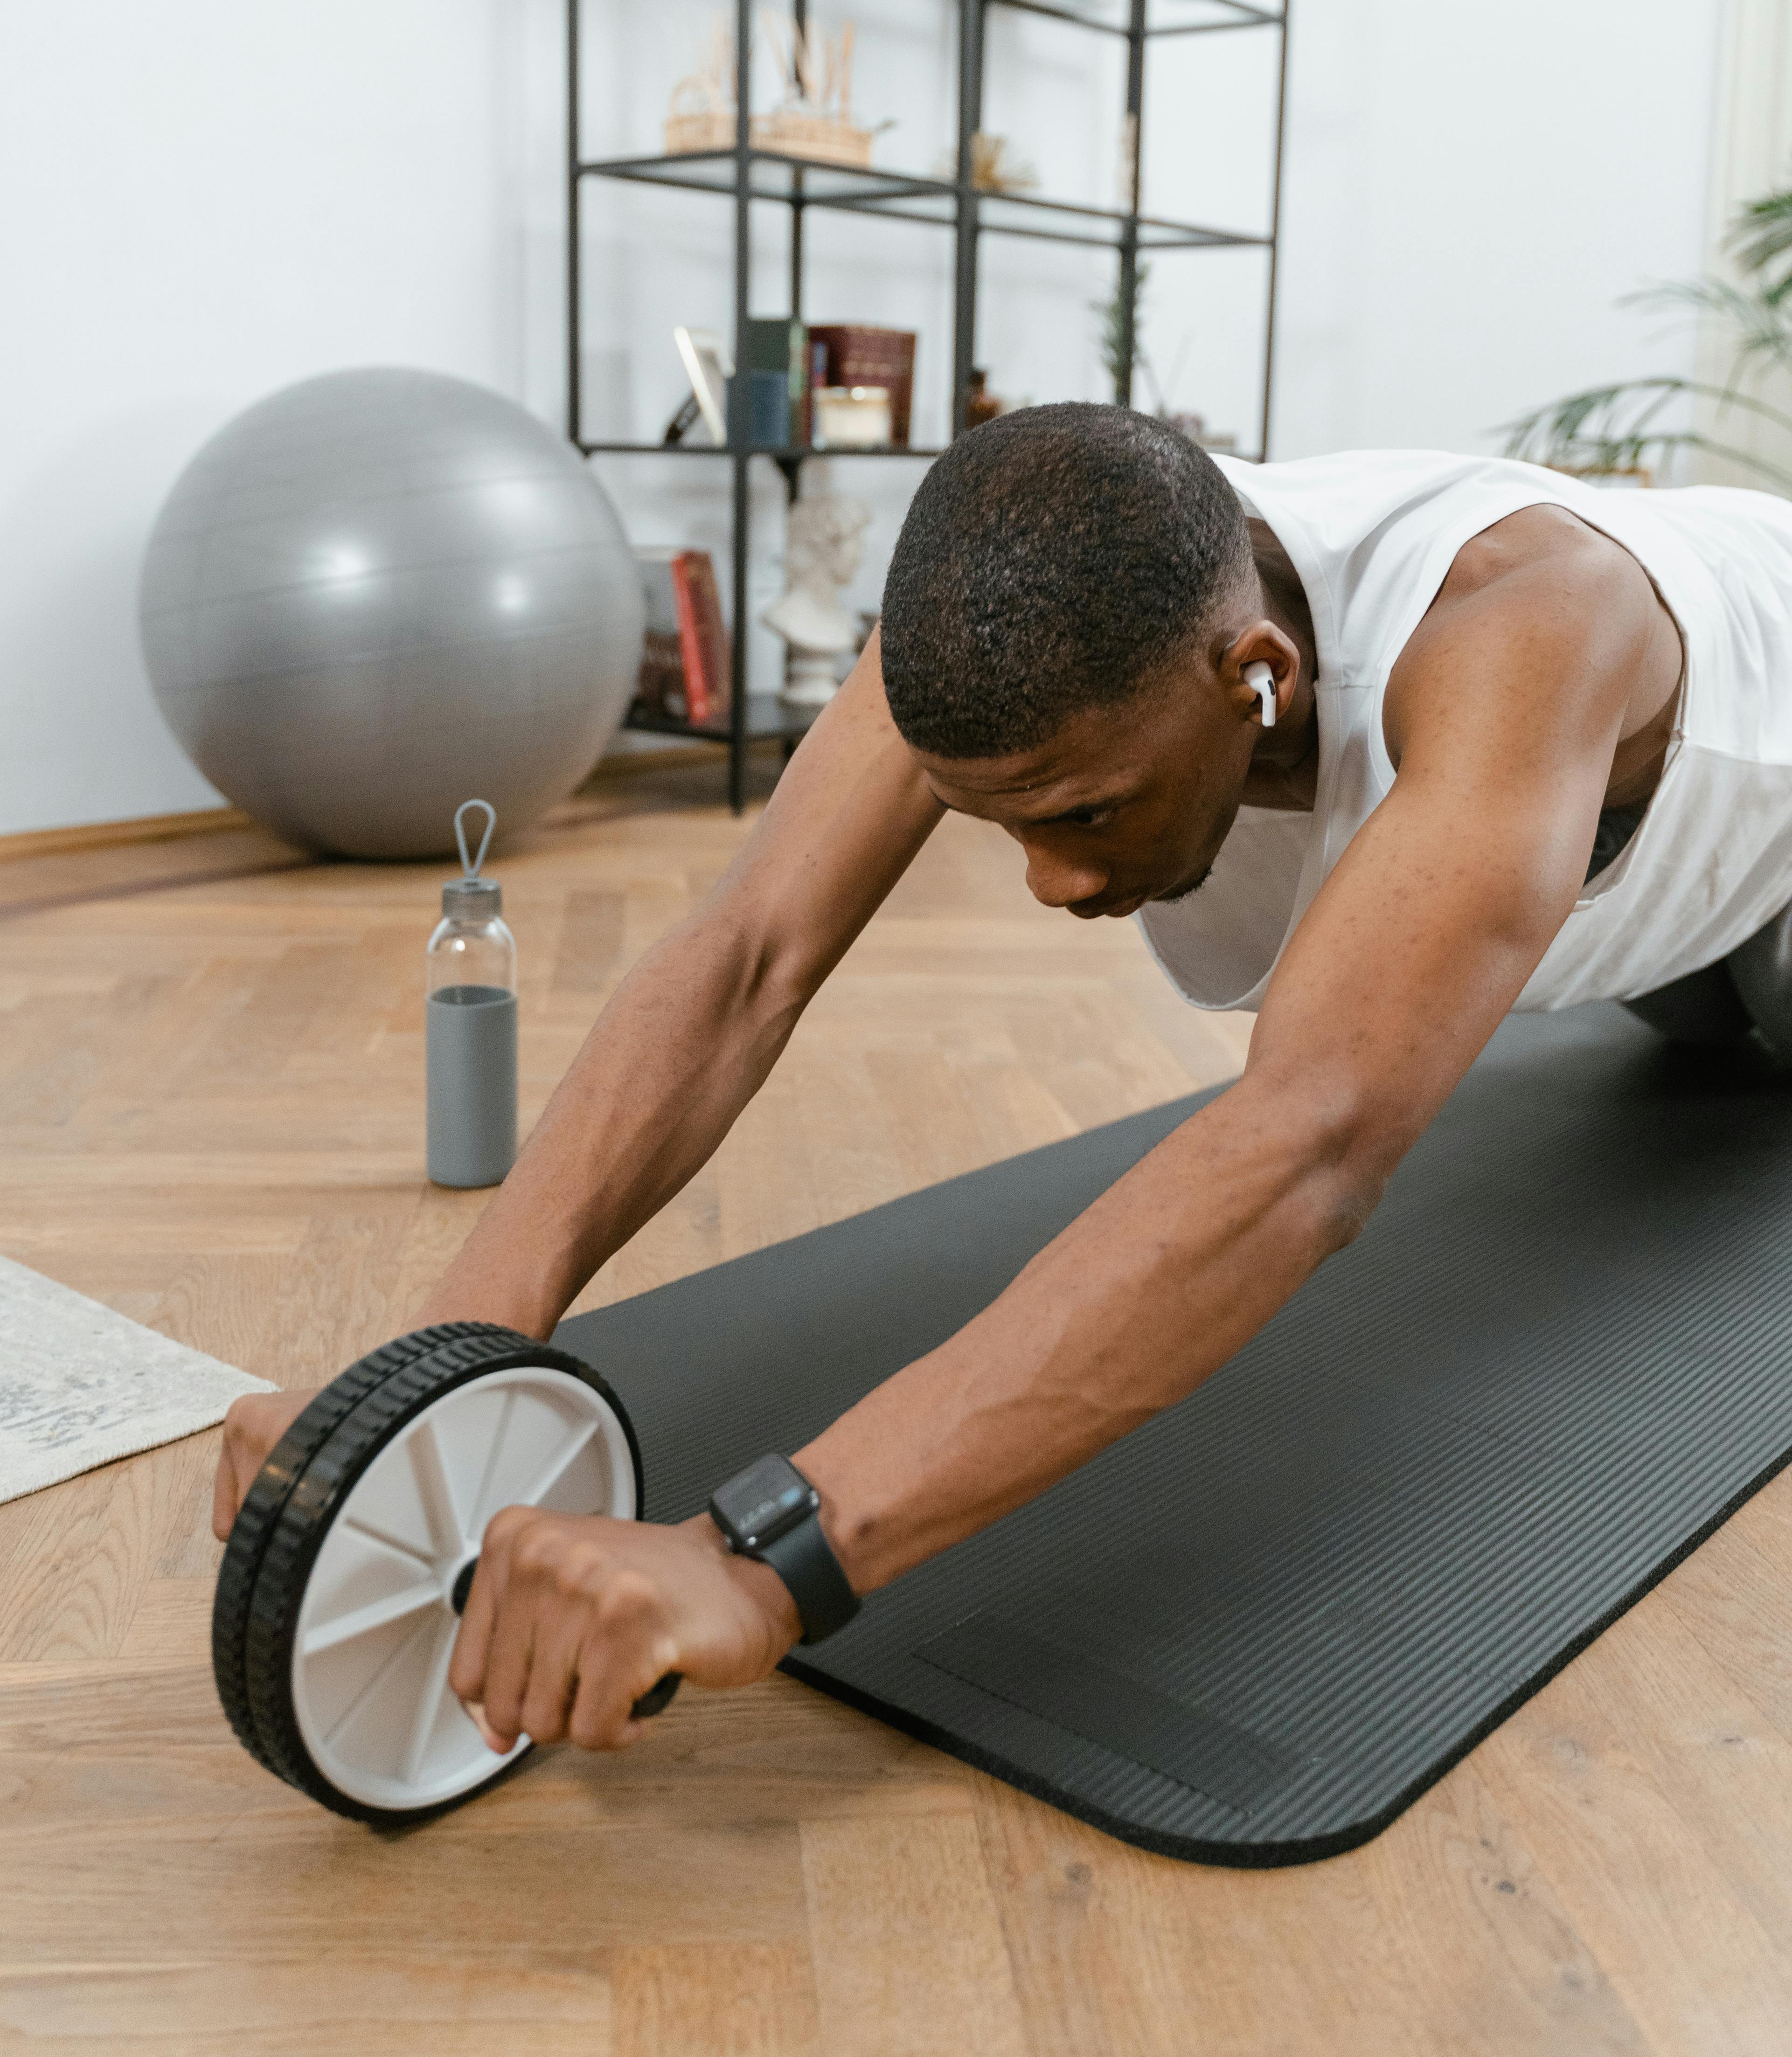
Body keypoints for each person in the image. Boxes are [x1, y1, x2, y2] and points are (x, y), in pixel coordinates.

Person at [212, 405, 1792, 1760]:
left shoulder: (1526, 632)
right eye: (1003, 826)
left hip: (1765, 851)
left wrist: (760, 1559)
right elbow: (749, 952)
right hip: (1614, 902)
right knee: (1672, 1026)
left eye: (1085, 813)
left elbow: (1305, 1148)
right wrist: (421, 1384)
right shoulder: (1013, 607)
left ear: (1254, 675)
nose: (1050, 882)